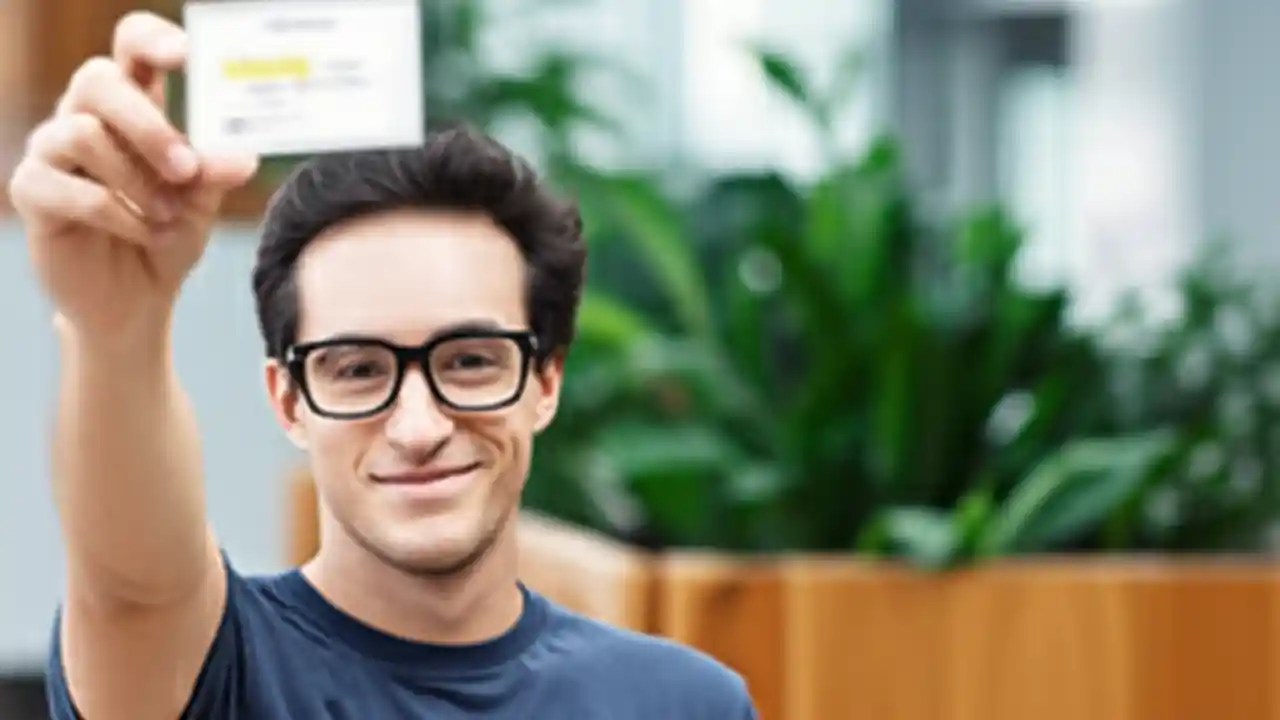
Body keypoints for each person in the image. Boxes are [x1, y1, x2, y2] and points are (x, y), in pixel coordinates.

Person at [7, 11, 758, 719]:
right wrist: (115, 331)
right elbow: (134, 591)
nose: (419, 425)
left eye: (468, 360)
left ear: (545, 381)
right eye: (359, 369)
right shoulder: (218, 671)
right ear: (289, 399)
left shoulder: (682, 702)